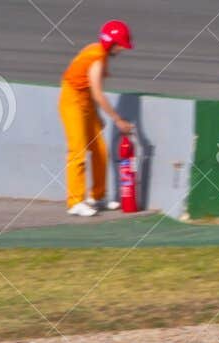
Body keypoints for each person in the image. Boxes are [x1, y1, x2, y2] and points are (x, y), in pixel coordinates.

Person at [59, 20, 135, 216]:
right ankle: (75, 202)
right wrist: (117, 119)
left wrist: (96, 115)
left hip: (84, 102)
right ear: (112, 44)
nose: (122, 50)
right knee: (78, 151)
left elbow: (88, 90)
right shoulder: (97, 59)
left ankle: (97, 197)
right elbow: (98, 93)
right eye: (120, 45)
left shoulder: (97, 51)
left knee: (100, 150)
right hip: (72, 101)